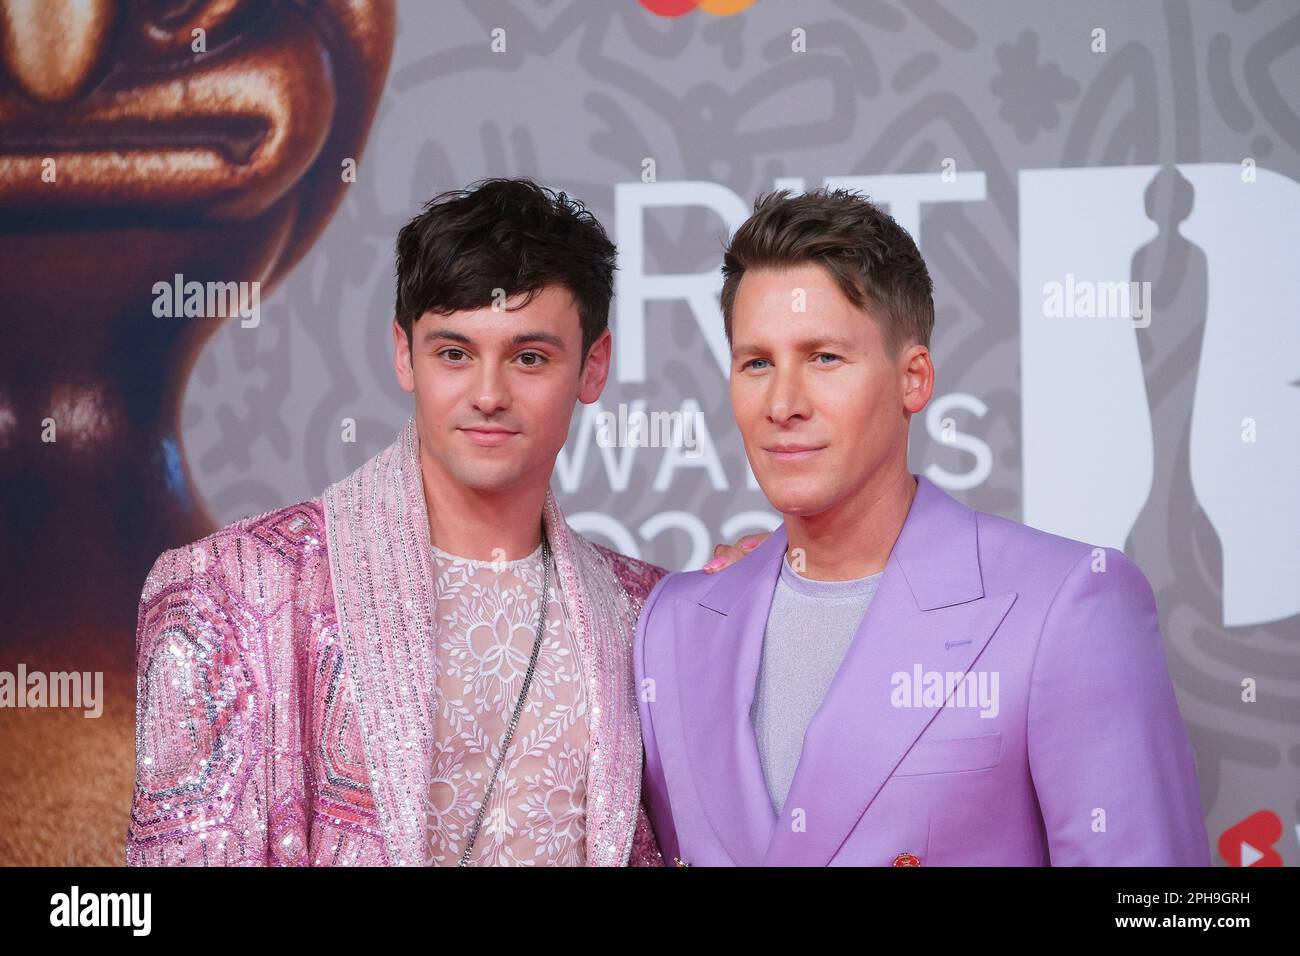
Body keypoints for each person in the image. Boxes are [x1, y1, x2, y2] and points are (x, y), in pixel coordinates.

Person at [126, 178, 745, 866]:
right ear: (404, 354)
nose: (488, 394)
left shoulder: (646, 617)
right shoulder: (230, 588)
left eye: (529, 357)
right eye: (455, 353)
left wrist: (761, 593)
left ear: (592, 367)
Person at [634, 187, 1210, 866]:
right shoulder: (673, 625)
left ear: (914, 379)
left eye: (824, 357)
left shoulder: (1069, 606)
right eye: (757, 362)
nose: (783, 403)